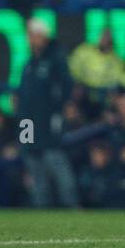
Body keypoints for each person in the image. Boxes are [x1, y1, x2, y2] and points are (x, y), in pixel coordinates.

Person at [15, 17, 78, 208]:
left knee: (55, 159)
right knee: (32, 163)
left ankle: (71, 205)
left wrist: (64, 106)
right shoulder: (29, 63)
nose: (30, 39)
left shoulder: (56, 59)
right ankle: (41, 209)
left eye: (33, 35)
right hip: (28, 123)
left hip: (48, 120)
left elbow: (66, 86)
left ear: (42, 36)